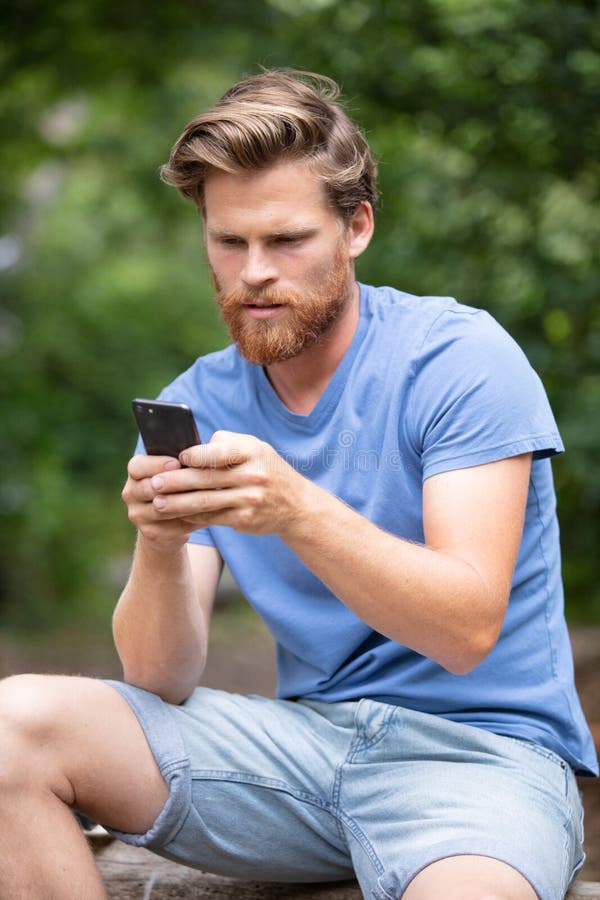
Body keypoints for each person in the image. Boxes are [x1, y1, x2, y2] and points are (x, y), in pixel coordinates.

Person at [0, 69, 597, 900]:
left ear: (356, 227)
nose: (253, 274)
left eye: (285, 241)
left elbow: (465, 628)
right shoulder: (194, 401)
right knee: (8, 732)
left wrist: (296, 508)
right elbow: (161, 680)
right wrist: (160, 540)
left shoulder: (460, 361)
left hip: (480, 758)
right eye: (228, 241)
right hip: (299, 757)